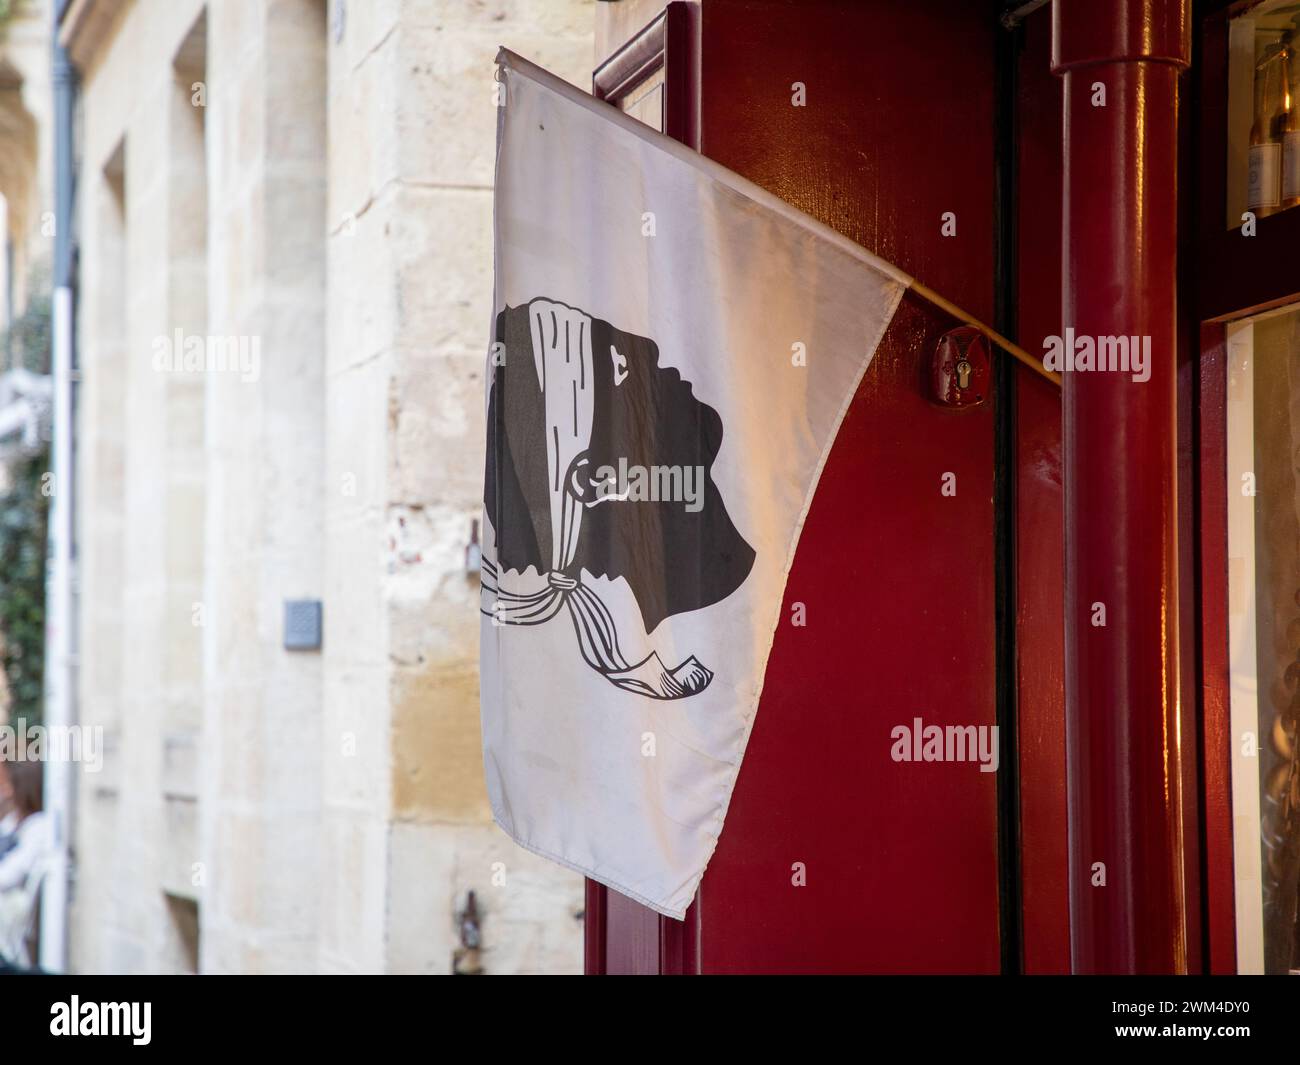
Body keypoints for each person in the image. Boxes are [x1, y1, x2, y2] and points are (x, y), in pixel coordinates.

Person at [0, 759, 50, 967]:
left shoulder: (38, 827)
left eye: (11, 786)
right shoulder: (14, 820)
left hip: (10, 903)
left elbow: (9, 875)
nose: (7, 793)